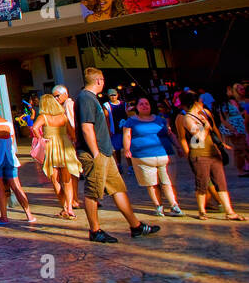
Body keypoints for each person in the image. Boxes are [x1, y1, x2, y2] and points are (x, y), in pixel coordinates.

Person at [75, 67, 159, 243]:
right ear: (99, 80)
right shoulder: (85, 98)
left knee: (118, 188)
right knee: (93, 192)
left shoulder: (91, 99)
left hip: (105, 153)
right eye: (103, 80)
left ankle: (136, 226)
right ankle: (95, 230)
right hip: (95, 154)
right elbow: (86, 127)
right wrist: (96, 152)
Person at [177, 91, 244, 221]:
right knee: (202, 183)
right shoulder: (187, 118)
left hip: (213, 153)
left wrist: (221, 144)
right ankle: (202, 211)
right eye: (200, 102)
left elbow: (215, 130)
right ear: (196, 103)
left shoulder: (205, 114)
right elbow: (199, 138)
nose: (203, 104)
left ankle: (229, 211)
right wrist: (206, 127)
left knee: (221, 183)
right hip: (199, 154)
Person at [122, 96, 182, 217]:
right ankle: (158, 206)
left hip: (165, 155)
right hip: (143, 156)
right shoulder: (131, 121)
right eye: (141, 104)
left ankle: (174, 205)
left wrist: (178, 147)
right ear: (137, 107)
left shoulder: (160, 120)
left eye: (147, 104)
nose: (144, 106)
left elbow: (170, 134)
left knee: (167, 182)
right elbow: (127, 135)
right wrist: (127, 149)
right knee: (152, 183)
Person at [0, 100, 36, 225]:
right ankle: (29, 215)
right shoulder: (9, 124)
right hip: (10, 158)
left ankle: (4, 217)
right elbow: (11, 141)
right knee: (17, 187)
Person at [31, 92, 80, 219]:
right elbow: (73, 133)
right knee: (67, 179)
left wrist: (41, 138)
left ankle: (64, 207)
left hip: (52, 147)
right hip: (65, 147)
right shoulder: (63, 116)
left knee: (55, 180)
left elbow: (34, 128)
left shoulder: (43, 117)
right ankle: (70, 207)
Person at [219, 83, 249, 176]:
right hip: (234, 128)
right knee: (239, 150)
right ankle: (240, 170)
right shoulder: (225, 104)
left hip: (241, 127)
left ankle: (243, 168)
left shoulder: (235, 101)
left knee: (243, 148)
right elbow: (223, 119)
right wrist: (233, 129)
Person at [105, 88, 128, 173]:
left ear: (117, 95)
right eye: (111, 95)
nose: (113, 97)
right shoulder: (106, 105)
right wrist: (108, 131)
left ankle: (130, 166)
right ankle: (119, 164)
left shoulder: (124, 104)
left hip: (125, 129)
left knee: (127, 147)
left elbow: (128, 115)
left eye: (114, 94)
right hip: (114, 130)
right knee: (116, 149)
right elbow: (106, 118)